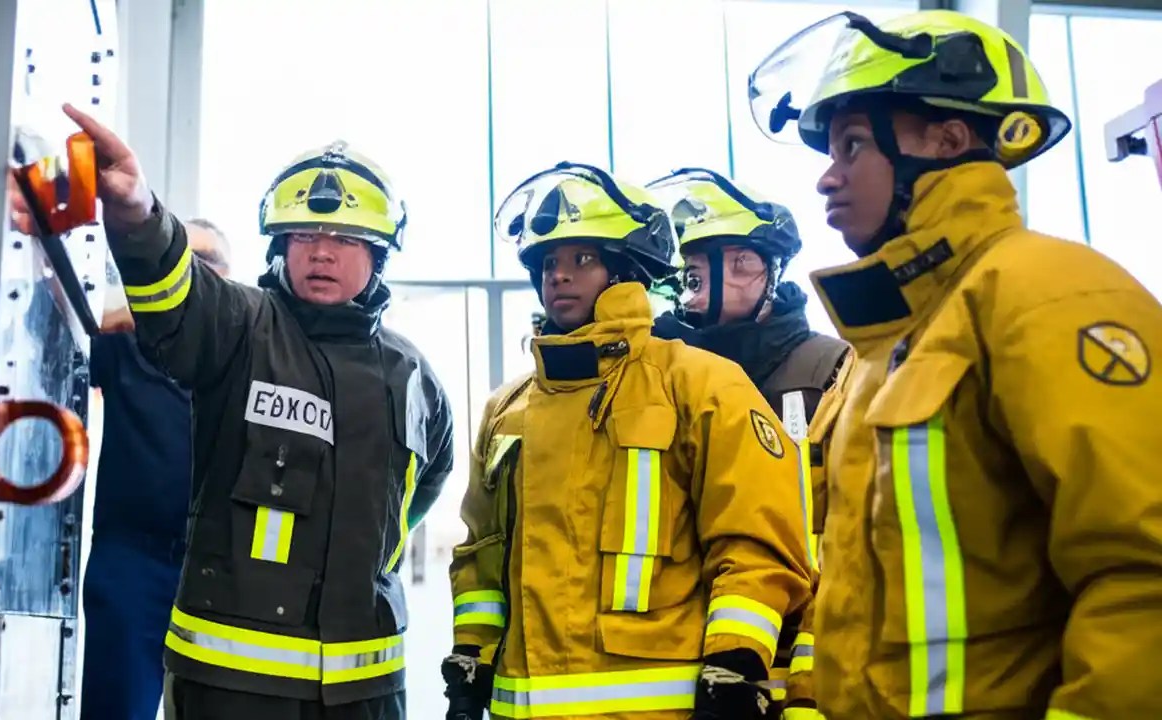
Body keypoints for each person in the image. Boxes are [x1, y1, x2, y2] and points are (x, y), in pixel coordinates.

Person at [747, 8, 1162, 718]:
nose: (826, 178)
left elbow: (1142, 574)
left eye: (851, 146)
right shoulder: (881, 353)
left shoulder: (1048, 296)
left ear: (945, 141)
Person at [45, 104, 455, 720]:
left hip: (366, 693)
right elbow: (176, 290)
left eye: (344, 240)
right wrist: (136, 210)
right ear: (281, 247)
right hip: (231, 686)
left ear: (379, 255)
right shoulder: (241, 324)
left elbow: (426, 482)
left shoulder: (415, 376)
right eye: (305, 237)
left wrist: (371, 547)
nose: (321, 253)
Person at [441, 162, 814, 720]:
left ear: (625, 271)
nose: (558, 275)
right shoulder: (506, 411)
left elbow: (755, 543)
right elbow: (480, 559)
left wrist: (736, 665)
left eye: (581, 258)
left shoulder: (701, 384)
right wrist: (471, 663)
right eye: (548, 262)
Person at [646, 169, 852, 719]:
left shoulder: (828, 369)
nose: (705, 281)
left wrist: (810, 686)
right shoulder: (657, 375)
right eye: (692, 269)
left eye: (742, 262)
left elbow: (843, 540)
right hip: (675, 669)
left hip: (791, 665)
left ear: (769, 271)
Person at [80, 220, 231, 720]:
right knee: (117, 708)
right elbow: (68, 333)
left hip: (221, 571)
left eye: (207, 262)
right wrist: (131, 313)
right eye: (183, 260)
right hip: (132, 564)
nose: (194, 274)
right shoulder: (126, 343)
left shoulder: (245, 354)